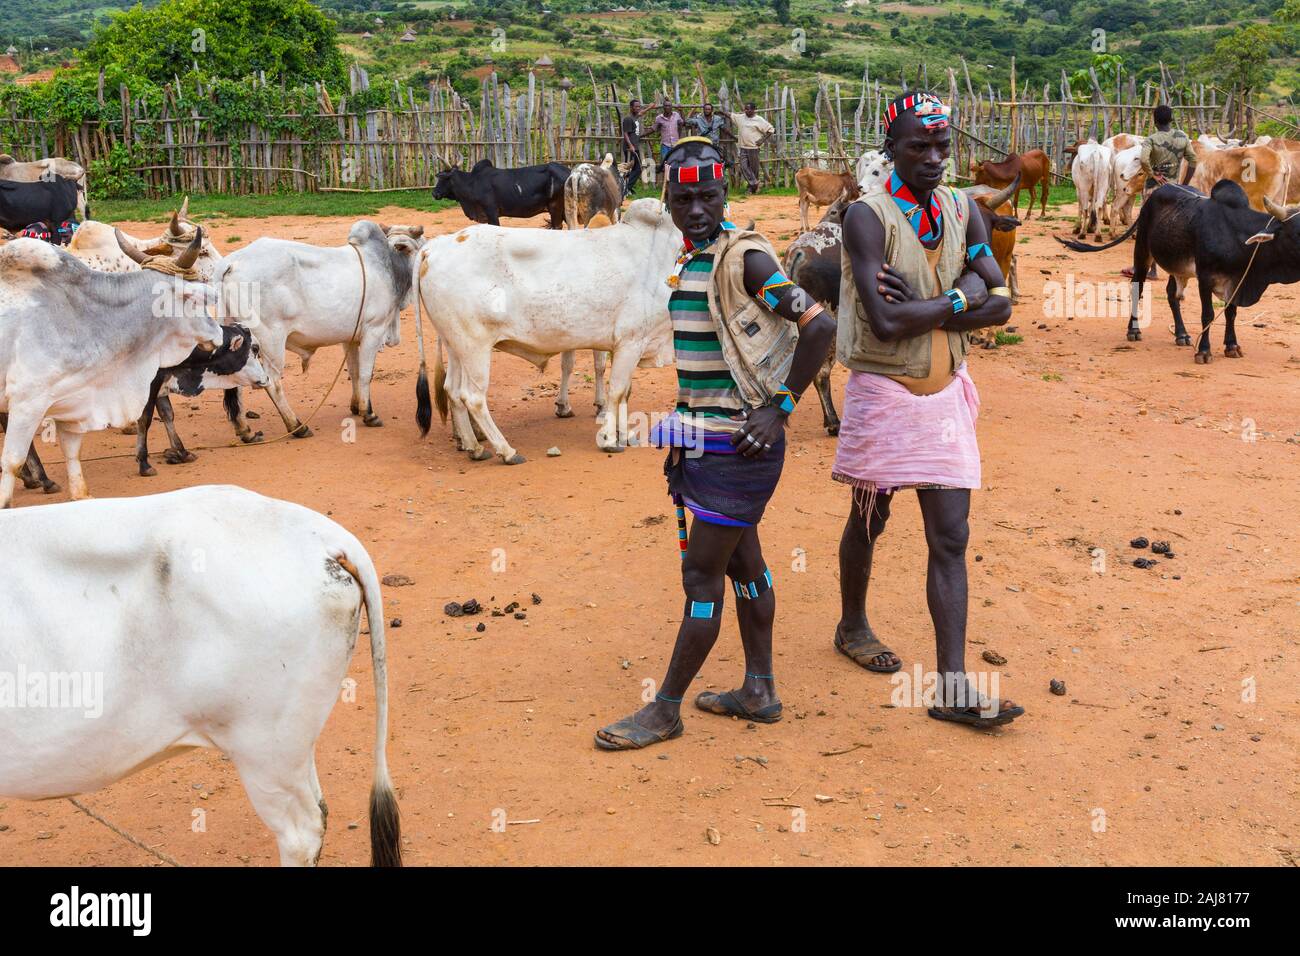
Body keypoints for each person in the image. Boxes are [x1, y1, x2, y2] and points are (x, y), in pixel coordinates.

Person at [594, 136, 837, 751]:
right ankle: (760, 689)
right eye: (683, 198)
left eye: (707, 196)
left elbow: (821, 325)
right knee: (744, 564)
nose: (696, 208)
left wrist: (780, 410)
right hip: (705, 438)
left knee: (701, 576)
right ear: (668, 202)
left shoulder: (745, 258)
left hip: (740, 446)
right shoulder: (691, 257)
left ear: (725, 194)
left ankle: (665, 708)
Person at [833, 92, 1024, 729]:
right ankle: (853, 622)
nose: (935, 158)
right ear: (892, 147)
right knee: (870, 517)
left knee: (951, 536)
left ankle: (951, 684)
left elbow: (1002, 298)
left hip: (945, 394)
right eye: (920, 146)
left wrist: (936, 302)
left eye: (943, 146)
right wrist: (962, 298)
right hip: (884, 392)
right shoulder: (868, 217)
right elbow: (885, 322)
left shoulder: (963, 208)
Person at [1123, 104, 1198, 278]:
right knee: (1173, 229)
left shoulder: (1152, 139)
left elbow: (1143, 159)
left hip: (1153, 191)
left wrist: (1153, 174)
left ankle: (1147, 269)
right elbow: (1193, 159)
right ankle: (1174, 270)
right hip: (1175, 189)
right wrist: (1184, 184)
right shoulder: (1182, 138)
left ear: (1155, 121)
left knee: (1147, 230)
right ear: (1171, 120)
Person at [727, 102, 774, 193]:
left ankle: (751, 188)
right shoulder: (741, 118)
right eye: (746, 109)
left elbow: (771, 130)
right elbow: (730, 114)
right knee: (743, 166)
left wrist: (762, 140)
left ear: (754, 110)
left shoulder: (759, 120)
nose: (747, 111)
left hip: (753, 148)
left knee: (754, 169)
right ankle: (755, 183)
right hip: (743, 147)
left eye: (749, 109)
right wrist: (720, 112)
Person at [621, 99, 644, 192]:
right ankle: (626, 188)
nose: (638, 108)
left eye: (639, 106)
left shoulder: (635, 117)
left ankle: (627, 187)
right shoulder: (628, 119)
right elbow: (625, 133)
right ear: (631, 107)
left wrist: (650, 107)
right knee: (636, 169)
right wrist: (630, 146)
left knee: (635, 168)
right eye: (636, 107)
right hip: (630, 148)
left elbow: (641, 113)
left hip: (635, 147)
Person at [653, 101, 685, 167]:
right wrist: (641, 135)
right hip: (665, 144)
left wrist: (681, 111)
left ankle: (674, 177)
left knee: (676, 163)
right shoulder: (659, 118)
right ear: (663, 107)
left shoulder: (676, 115)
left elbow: (682, 122)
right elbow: (654, 129)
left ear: (671, 107)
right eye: (666, 106)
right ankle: (666, 177)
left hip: (676, 144)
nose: (667, 107)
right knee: (665, 164)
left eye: (669, 106)